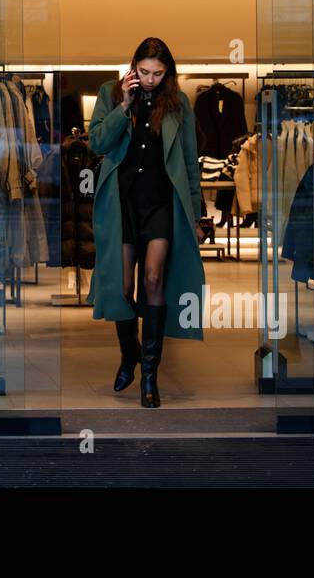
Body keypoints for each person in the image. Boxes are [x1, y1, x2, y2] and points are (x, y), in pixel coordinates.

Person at [88, 38, 206, 408]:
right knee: (123, 287)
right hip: (122, 203)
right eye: (144, 71)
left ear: (167, 72)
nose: (151, 79)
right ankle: (129, 355)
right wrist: (124, 105)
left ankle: (150, 376)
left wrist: (197, 214)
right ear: (133, 66)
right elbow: (97, 143)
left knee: (153, 279)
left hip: (160, 204)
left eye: (158, 73)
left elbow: (189, 161)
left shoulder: (179, 104)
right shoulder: (110, 93)